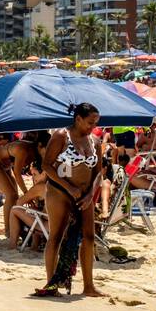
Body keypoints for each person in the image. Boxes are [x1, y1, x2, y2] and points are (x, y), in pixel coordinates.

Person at [38, 103, 104, 298]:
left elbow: (98, 172)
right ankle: (52, 284)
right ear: (78, 119)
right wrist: (69, 187)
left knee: (89, 237)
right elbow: (47, 166)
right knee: (56, 236)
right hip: (60, 190)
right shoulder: (61, 136)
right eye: (90, 122)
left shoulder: (95, 141)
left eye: (96, 123)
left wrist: (90, 194)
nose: (93, 126)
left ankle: (89, 286)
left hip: (85, 194)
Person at [0, 132, 48, 242]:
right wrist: (27, 193)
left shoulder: (35, 153)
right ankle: (8, 231)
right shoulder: (23, 149)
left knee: (14, 197)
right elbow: (17, 173)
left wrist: (31, 194)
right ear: (39, 145)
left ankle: (9, 227)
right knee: (11, 195)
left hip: (5, 165)